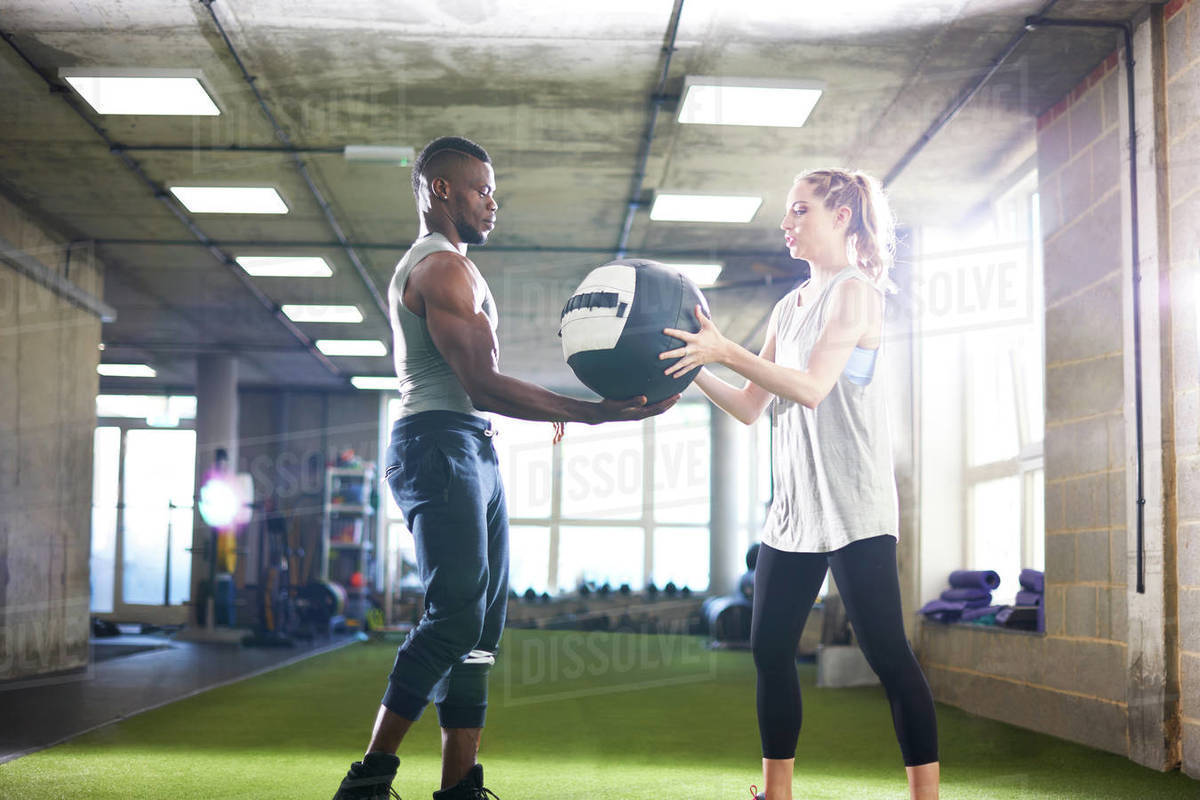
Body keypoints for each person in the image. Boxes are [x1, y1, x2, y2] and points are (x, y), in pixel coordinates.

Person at [329, 136, 677, 800]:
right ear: (442, 190)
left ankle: (460, 787)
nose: (494, 203)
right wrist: (593, 413)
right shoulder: (439, 270)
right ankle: (368, 781)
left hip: (468, 443)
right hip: (437, 446)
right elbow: (482, 382)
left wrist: (535, 406)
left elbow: (481, 386)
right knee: (455, 615)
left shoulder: (459, 268)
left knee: (483, 628)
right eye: (483, 190)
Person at [660, 169, 939, 800]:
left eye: (799, 211)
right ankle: (776, 793)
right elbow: (752, 405)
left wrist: (724, 350)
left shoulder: (856, 294)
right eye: (787, 214)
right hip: (794, 508)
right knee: (768, 649)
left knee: (887, 653)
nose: (786, 223)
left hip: (856, 504)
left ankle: (927, 795)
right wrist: (690, 368)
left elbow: (812, 389)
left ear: (841, 215)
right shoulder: (787, 308)